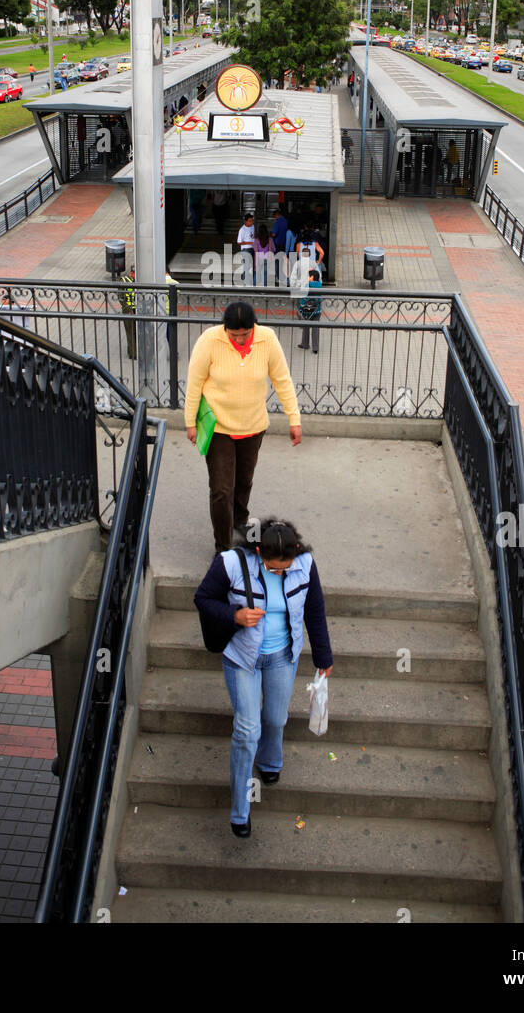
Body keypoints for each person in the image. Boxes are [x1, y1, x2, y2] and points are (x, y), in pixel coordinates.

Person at [194, 518, 333, 837]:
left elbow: (314, 611)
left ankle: (270, 763)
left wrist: (324, 657)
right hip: (242, 659)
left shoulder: (305, 565)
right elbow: (203, 599)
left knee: (275, 718)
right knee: (246, 731)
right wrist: (235, 615)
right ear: (259, 553)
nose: (279, 573)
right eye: (272, 568)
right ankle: (240, 812)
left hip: (283, 657)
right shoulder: (230, 563)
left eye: (284, 568)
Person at [185, 300, 302, 554]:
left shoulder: (267, 340)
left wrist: (294, 419)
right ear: (224, 329)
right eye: (234, 335)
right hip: (219, 427)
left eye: (244, 335)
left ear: (253, 329)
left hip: (253, 425)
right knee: (221, 490)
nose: (239, 340)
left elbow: (282, 380)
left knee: (244, 482)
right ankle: (223, 548)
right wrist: (190, 421)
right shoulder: (210, 340)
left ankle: (239, 519)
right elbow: (195, 382)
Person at [297, 268, 323, 353]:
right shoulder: (320, 285)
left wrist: (300, 307)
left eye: (308, 276)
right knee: (315, 328)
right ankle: (315, 348)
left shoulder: (306, 285)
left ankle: (305, 344)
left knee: (306, 326)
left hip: (307, 310)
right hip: (317, 310)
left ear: (311, 277)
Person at [120, 265, 137, 360]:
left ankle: (136, 350)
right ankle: (133, 353)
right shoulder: (124, 281)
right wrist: (128, 309)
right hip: (128, 310)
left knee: (137, 331)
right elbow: (121, 297)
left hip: (138, 310)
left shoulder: (139, 280)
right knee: (130, 332)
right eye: (134, 273)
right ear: (131, 273)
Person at [236, 212, 255, 285]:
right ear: (245, 221)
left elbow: (252, 236)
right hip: (246, 250)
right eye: (250, 221)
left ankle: (247, 276)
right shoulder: (242, 230)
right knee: (247, 265)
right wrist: (249, 243)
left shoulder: (253, 226)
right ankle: (246, 283)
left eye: (252, 220)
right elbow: (239, 242)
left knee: (252, 265)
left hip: (252, 249)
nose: (251, 222)